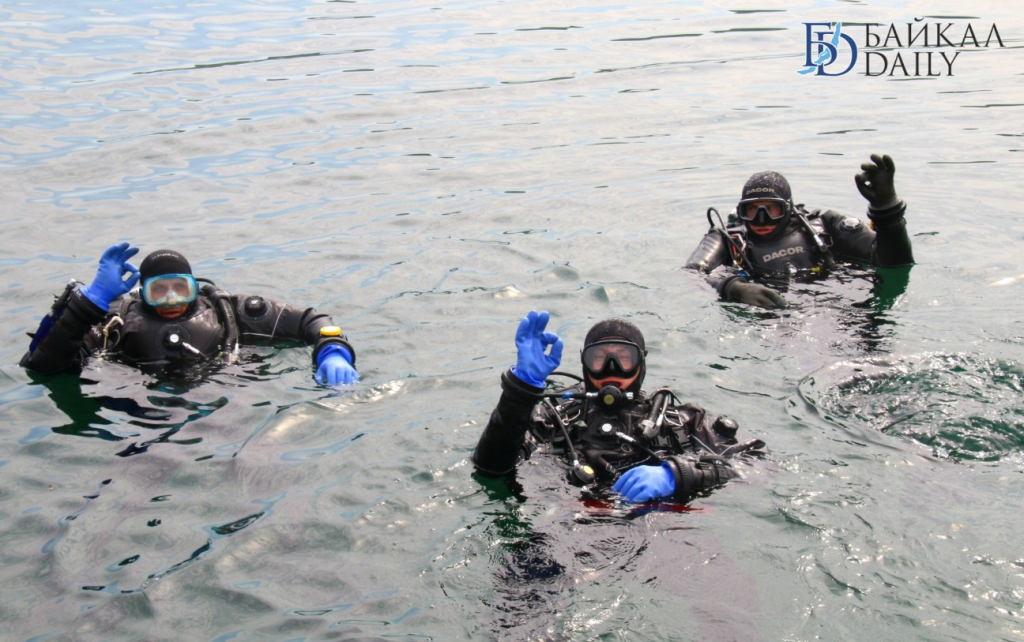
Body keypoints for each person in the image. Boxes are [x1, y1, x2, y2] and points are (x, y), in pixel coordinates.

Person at [472, 310, 765, 504]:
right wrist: (520, 392)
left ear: (641, 364)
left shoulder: (679, 422)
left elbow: (755, 464)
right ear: (585, 363)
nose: (611, 368)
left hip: (660, 530)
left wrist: (678, 474)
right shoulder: (555, 418)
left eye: (624, 358)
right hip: (568, 523)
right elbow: (490, 467)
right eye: (599, 358)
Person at [21, 243, 358, 385]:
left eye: (180, 288)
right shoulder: (116, 322)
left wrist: (333, 351)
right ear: (142, 293)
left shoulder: (227, 312)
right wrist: (88, 304)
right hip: (142, 418)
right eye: (159, 290)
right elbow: (41, 366)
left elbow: (312, 321)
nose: (170, 299)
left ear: (196, 286)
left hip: (229, 403)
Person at [685, 154, 914, 309]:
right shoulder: (729, 240)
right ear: (741, 211)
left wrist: (887, 210)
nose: (761, 219)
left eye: (772, 209)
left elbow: (895, 262)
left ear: (788, 209)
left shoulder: (826, 226)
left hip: (848, 308)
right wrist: (732, 288)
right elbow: (692, 273)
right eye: (752, 210)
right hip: (783, 320)